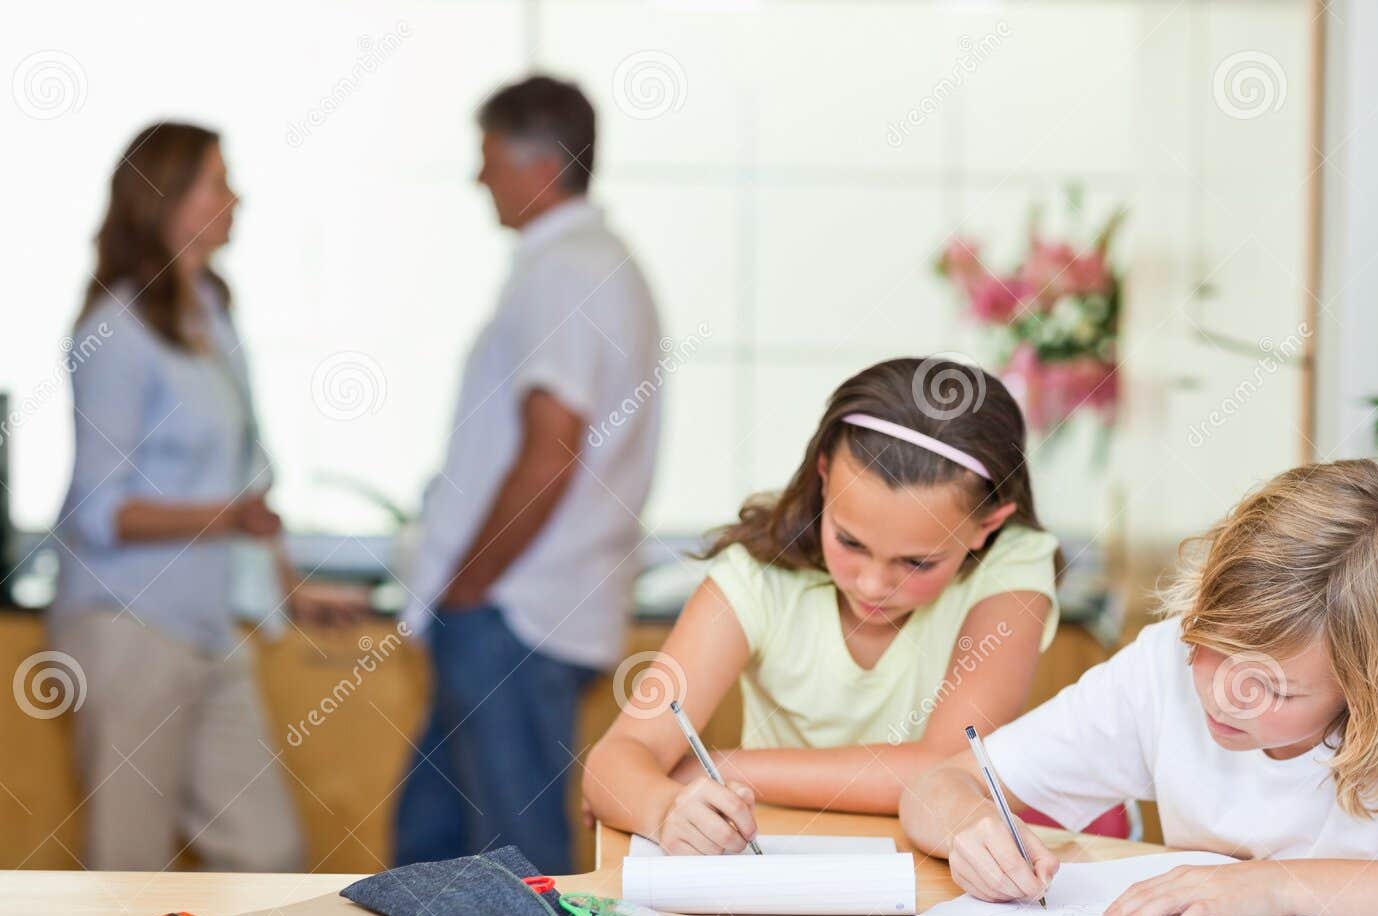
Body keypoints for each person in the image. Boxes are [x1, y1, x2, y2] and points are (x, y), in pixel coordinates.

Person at [900, 459, 1378, 916]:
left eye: (1275, 686)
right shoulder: (1163, 664)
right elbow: (938, 784)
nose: (1221, 690)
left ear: (1372, 689)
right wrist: (970, 829)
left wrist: (1281, 886)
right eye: (1212, 642)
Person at [582, 356, 1062, 855]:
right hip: (770, 865)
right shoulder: (758, 578)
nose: (874, 585)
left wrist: (718, 768)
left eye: (917, 563)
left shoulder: (1014, 564)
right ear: (825, 476)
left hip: (934, 876)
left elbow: (946, 766)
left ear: (988, 525)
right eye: (850, 542)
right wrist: (664, 809)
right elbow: (613, 762)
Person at [51, 122, 362, 872]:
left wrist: (289, 587)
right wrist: (225, 517)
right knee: (127, 867)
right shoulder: (117, 331)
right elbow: (99, 511)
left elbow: (243, 477)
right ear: (166, 200)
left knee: (268, 855)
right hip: (128, 628)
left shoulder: (214, 314)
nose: (235, 198)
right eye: (217, 182)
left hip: (210, 625)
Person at [394, 76, 662, 873]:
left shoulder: (565, 270)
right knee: (434, 854)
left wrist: (470, 585)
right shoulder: (595, 263)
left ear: (539, 167)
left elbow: (551, 448)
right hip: (526, 610)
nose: (479, 180)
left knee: (514, 869)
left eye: (488, 161)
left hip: (513, 612)